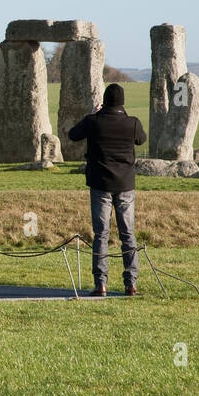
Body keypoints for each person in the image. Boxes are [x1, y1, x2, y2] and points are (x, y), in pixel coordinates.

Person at [67, 83, 147, 297]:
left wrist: (95, 113)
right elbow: (141, 139)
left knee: (101, 234)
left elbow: (73, 134)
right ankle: (131, 284)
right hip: (125, 185)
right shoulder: (132, 123)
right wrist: (124, 114)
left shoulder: (93, 122)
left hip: (100, 183)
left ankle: (100, 284)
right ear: (122, 102)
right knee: (128, 234)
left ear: (104, 101)